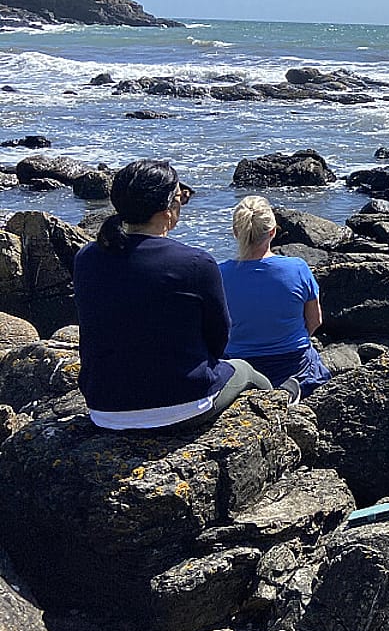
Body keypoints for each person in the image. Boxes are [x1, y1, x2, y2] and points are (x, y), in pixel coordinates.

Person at [74, 160, 278, 431]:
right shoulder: (195, 263)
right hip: (182, 405)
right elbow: (218, 337)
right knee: (245, 370)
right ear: (167, 210)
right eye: (181, 196)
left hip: (105, 407)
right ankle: (283, 407)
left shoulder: (87, 257)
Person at [219, 196, 330, 398]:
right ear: (272, 231)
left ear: (236, 233)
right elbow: (315, 321)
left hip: (241, 365)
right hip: (294, 364)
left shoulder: (219, 274)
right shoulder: (297, 268)